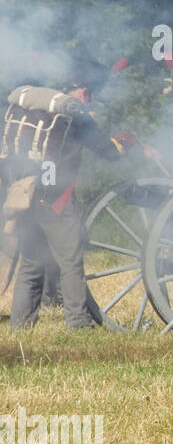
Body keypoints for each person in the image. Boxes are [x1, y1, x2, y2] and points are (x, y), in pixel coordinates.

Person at [2, 60, 131, 329]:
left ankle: (20, 326)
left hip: (25, 197)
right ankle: (78, 322)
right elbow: (108, 152)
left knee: (30, 267)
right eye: (92, 95)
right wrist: (122, 143)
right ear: (85, 92)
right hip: (57, 202)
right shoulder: (76, 115)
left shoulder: (39, 110)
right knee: (71, 264)